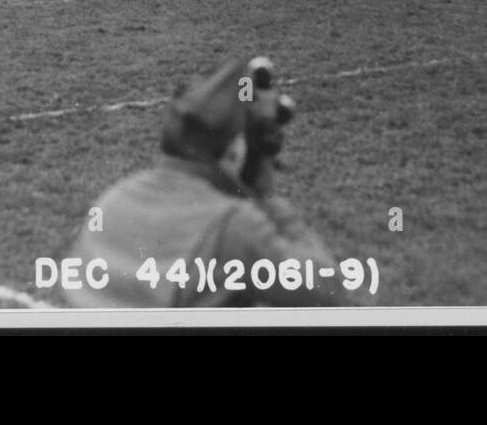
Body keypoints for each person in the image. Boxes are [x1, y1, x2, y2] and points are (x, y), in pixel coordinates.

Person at [55, 56, 352, 307]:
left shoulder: (111, 202)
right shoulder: (233, 227)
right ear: (235, 148)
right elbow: (329, 291)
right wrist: (265, 192)